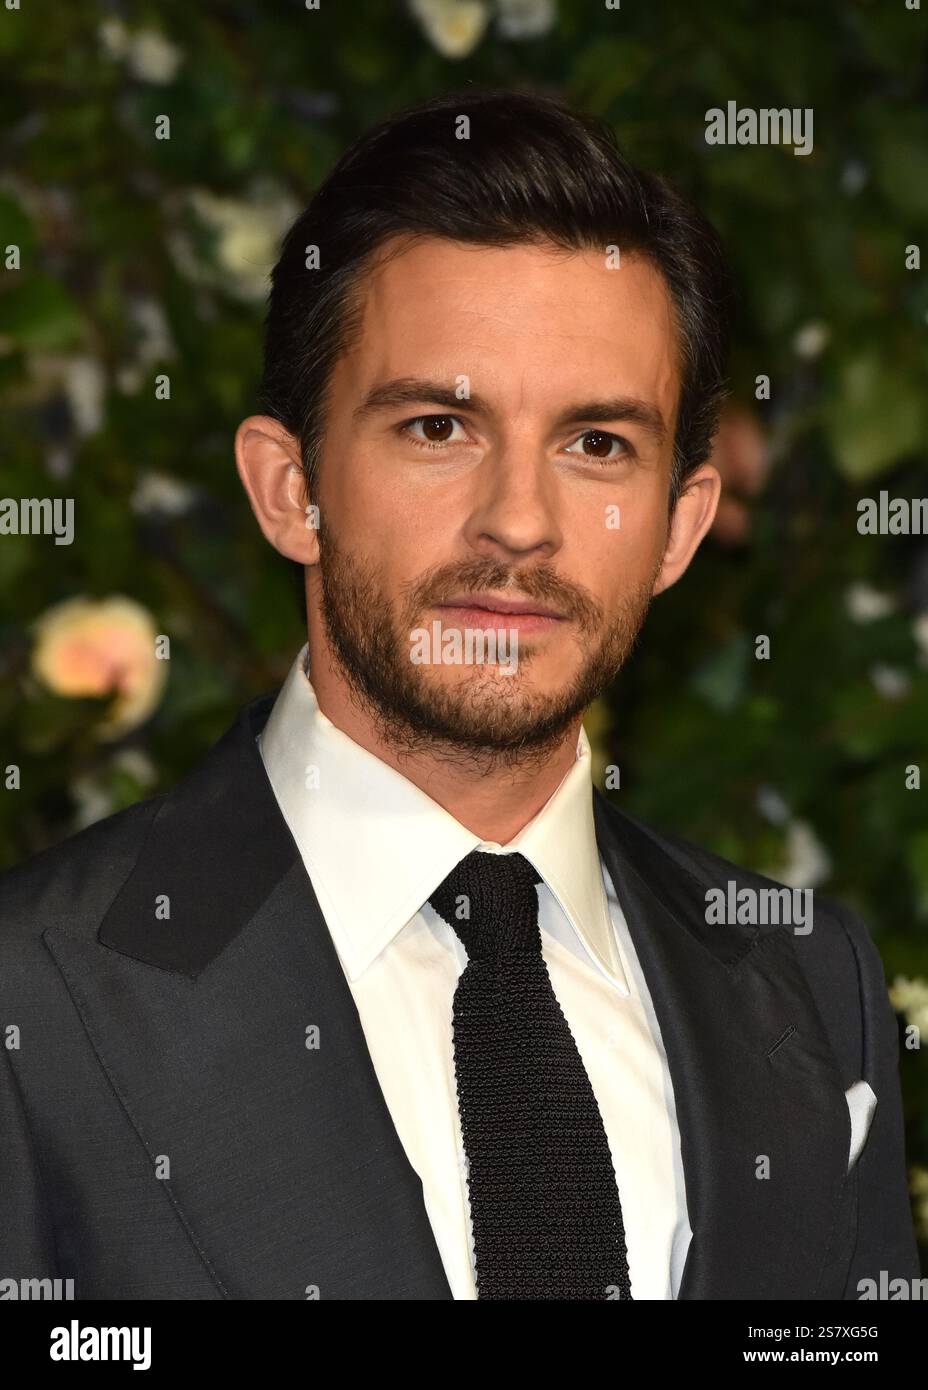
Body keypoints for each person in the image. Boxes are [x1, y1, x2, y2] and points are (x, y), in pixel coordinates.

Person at [0, 89, 918, 1301]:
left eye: (597, 444)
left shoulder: (810, 987)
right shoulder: (36, 990)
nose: (520, 524)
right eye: (439, 425)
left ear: (679, 528)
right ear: (290, 489)